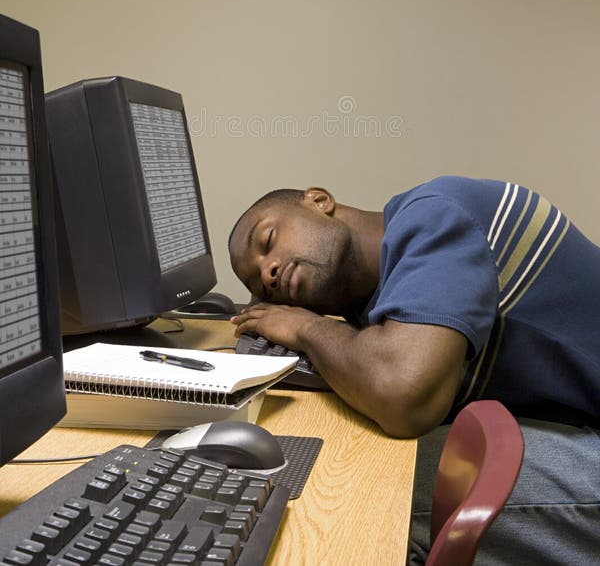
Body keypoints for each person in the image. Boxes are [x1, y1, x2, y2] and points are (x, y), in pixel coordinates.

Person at [228, 176, 600, 565]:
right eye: (261, 286)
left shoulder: (437, 216)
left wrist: (306, 328)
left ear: (319, 200)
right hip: (581, 430)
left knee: (376, 494)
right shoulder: (382, 295)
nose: (269, 270)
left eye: (268, 241)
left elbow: (404, 395)